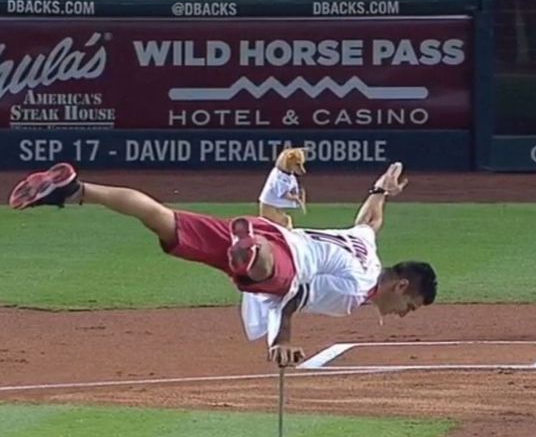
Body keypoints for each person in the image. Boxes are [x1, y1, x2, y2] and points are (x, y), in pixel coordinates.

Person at [8, 161, 438, 364]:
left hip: (270, 228)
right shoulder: (353, 292)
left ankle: (75, 190)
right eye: (411, 305)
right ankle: (249, 254)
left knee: (162, 219)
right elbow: (294, 295)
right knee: (273, 279)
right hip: (280, 255)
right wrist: (281, 341)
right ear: (401, 285)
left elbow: (370, 221)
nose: (404, 315)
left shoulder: (365, 246)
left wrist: (380, 189)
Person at [258, 147, 307, 230]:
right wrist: (296, 199)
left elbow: (292, 188)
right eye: (297, 165)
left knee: (286, 221)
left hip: (275, 206)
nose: (302, 170)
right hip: (269, 206)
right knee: (284, 223)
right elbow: (283, 194)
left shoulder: (288, 175)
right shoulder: (279, 177)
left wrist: (297, 194)